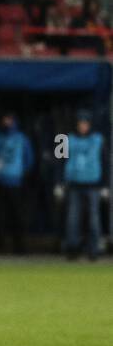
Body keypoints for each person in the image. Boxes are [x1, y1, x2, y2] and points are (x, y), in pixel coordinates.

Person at [0, 113, 34, 254]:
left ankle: (19, 246)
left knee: (17, 216)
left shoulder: (21, 138)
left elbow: (29, 160)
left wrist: (19, 172)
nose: (6, 122)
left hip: (14, 182)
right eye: (4, 119)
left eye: (9, 119)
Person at [62, 111, 104, 261]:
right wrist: (59, 182)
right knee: (72, 219)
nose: (83, 126)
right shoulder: (67, 139)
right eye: (80, 123)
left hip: (93, 184)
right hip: (74, 184)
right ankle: (72, 249)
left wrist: (105, 184)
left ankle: (94, 250)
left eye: (85, 123)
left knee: (93, 218)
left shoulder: (98, 139)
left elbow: (105, 160)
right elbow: (60, 160)